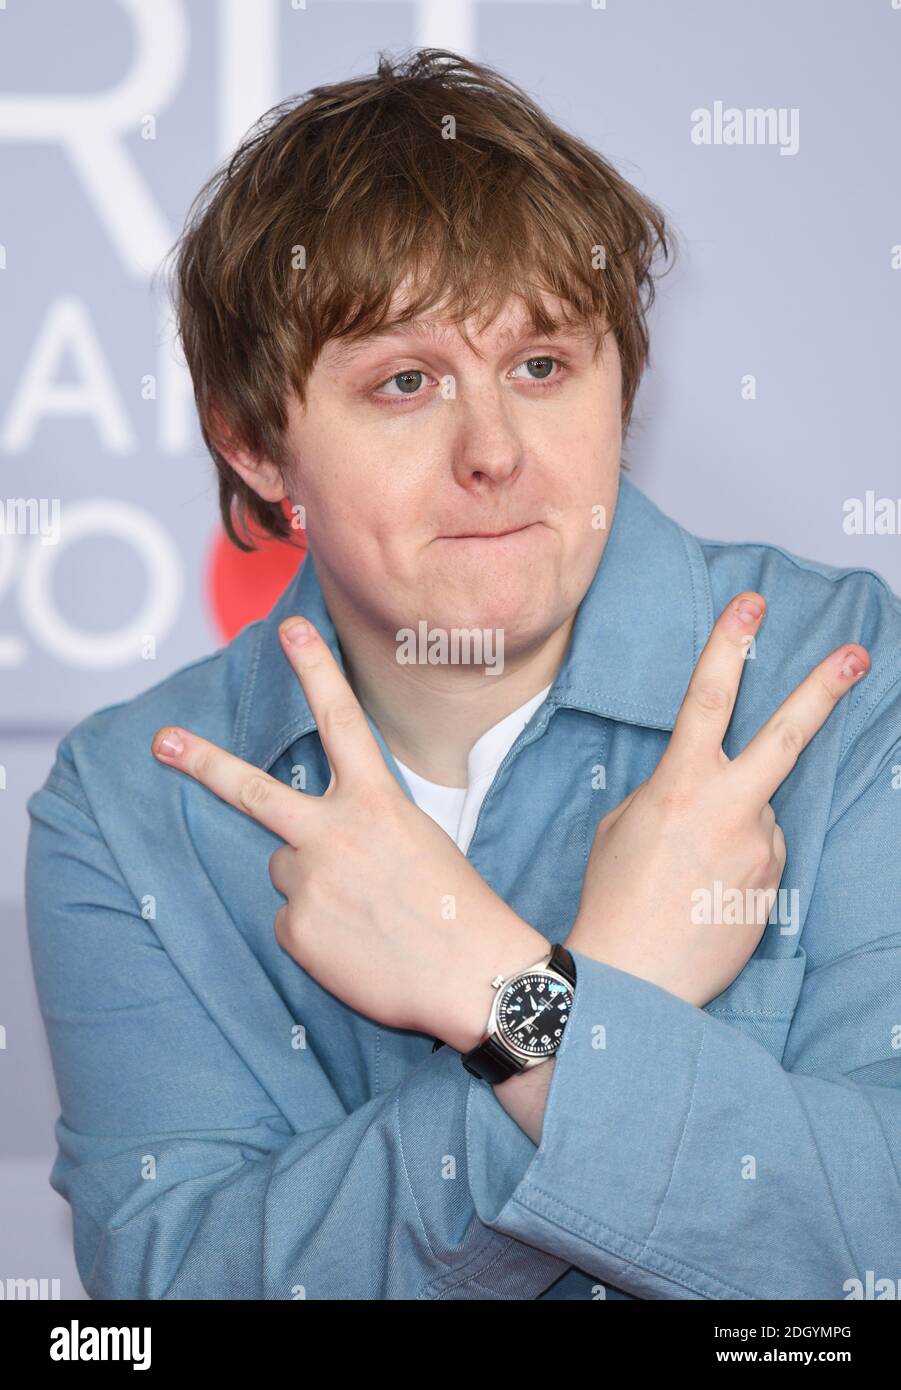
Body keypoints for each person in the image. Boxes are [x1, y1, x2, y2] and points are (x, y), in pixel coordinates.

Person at [25, 48, 901, 1301]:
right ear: (251, 439)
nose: (494, 451)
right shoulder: (130, 802)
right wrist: (603, 996)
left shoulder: (846, 685)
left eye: (542, 366)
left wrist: (504, 996)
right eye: (405, 382)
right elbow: (179, 1297)